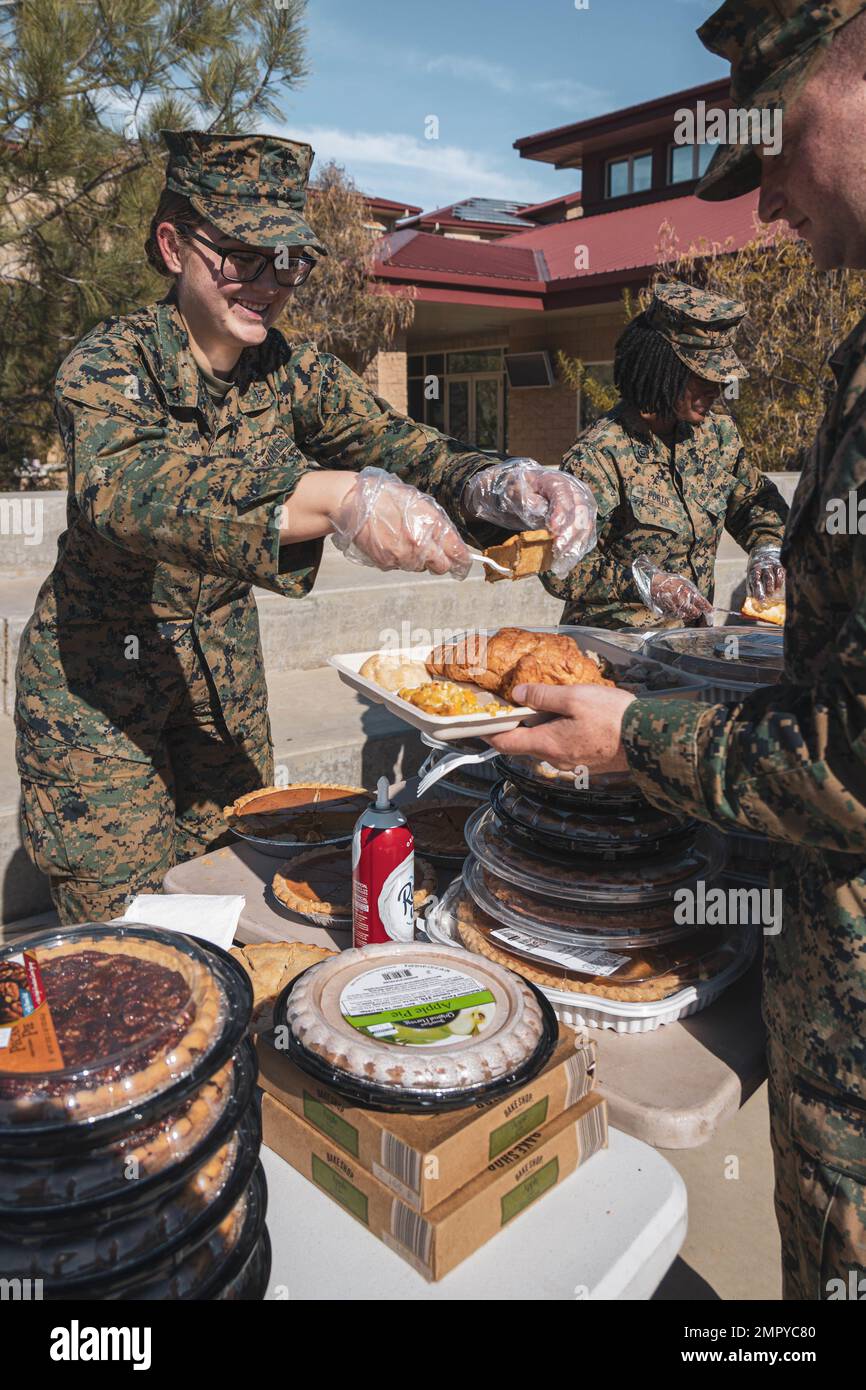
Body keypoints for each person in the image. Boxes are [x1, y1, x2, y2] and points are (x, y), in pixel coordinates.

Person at [488, 0, 866, 1301]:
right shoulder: (601, 447)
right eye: (695, 385)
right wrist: (579, 557)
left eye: (721, 388)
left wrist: (767, 556)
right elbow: (560, 572)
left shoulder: (713, 439)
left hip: (701, 729)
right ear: (654, 373)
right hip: (616, 706)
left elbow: (768, 519)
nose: (711, 405)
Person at [15, 129, 596, 926]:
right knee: (130, 937)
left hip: (220, 687)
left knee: (238, 896)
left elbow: (400, 444)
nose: (267, 283)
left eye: (287, 260)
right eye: (242, 256)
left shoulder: (293, 371)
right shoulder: (109, 365)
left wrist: (497, 481)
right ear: (172, 244)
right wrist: (328, 497)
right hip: (97, 699)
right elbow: (122, 490)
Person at [541, 281, 788, 629]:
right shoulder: (598, 456)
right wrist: (645, 584)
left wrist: (768, 549)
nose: (716, 391)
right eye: (702, 378)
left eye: (719, 379)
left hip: (689, 644)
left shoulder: (717, 437)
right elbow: (559, 564)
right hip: (614, 649)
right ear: (663, 369)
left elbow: (753, 505)